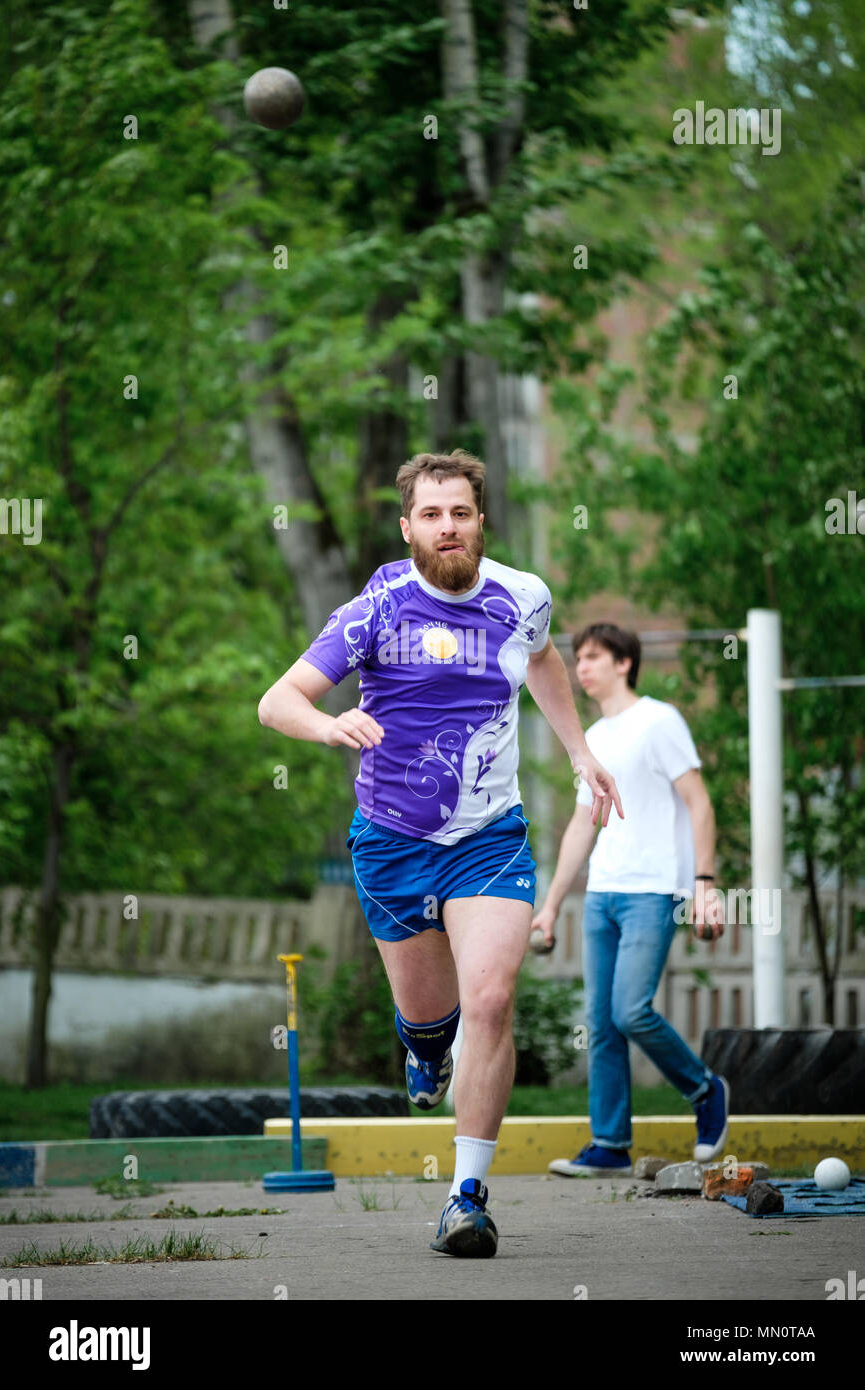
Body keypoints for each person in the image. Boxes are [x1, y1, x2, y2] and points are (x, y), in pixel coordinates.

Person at [258, 451, 623, 1257]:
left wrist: (580, 752)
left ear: (480, 520)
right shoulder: (375, 610)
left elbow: (543, 660)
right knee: (430, 1020)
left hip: (488, 838)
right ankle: (425, 1052)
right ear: (407, 527)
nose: (447, 527)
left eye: (460, 513)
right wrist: (329, 725)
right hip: (392, 844)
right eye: (431, 515)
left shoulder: (523, 596)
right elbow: (276, 701)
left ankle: (466, 1198)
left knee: (489, 1000)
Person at [532, 622, 728, 1177]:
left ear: (624, 663)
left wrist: (705, 883)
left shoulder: (659, 721)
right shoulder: (590, 737)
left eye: (593, 656)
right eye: (578, 658)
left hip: (654, 888)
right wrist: (551, 905)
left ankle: (705, 1089)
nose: (581, 667)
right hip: (602, 892)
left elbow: (699, 803)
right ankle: (611, 1144)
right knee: (601, 1023)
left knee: (631, 1011)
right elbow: (581, 826)